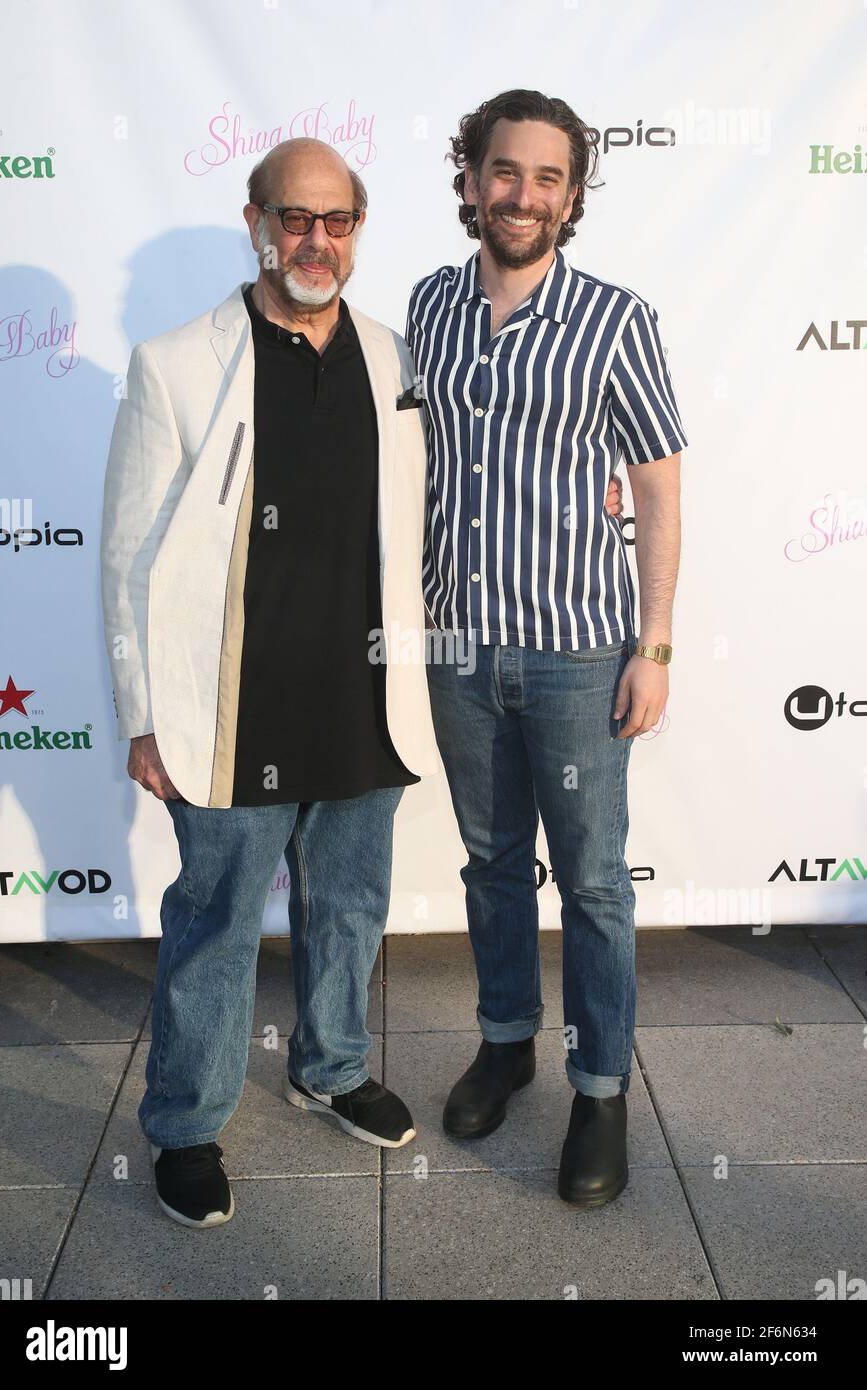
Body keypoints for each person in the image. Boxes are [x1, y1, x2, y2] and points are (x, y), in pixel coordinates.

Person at [100, 138, 444, 1228]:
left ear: (357, 230)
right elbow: (126, 557)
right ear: (256, 221)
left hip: (365, 697)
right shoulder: (175, 363)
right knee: (216, 922)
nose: (316, 240)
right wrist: (145, 715)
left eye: (336, 220)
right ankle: (187, 1124)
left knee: (350, 906)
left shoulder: (395, 360)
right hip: (229, 704)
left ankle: (332, 1066)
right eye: (295, 218)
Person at [405, 90, 688, 1208]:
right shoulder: (426, 305)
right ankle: (507, 1038)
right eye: (504, 172)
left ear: (574, 196)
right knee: (486, 863)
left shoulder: (617, 321)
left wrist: (653, 644)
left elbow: (661, 489)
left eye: (548, 178)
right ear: (469, 178)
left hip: (577, 652)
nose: (523, 195)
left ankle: (602, 1087)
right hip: (456, 648)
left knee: (595, 883)